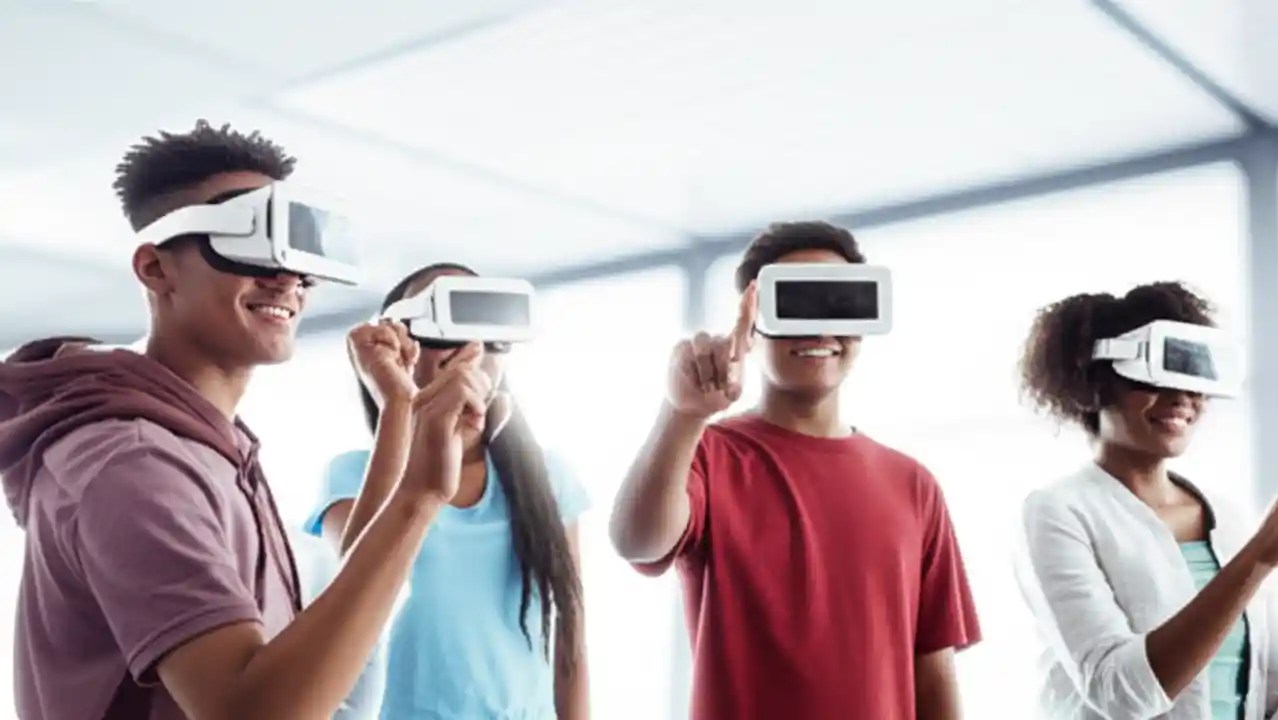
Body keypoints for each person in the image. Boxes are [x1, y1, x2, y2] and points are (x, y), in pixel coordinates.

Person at [0, 121, 473, 719]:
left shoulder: (205, 444)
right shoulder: (134, 461)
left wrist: (400, 415)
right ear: (155, 268)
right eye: (250, 243)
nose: (287, 280)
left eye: (299, 256)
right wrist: (421, 495)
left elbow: (331, 613)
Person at [608, 221, 982, 719]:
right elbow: (637, 541)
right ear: (753, 320)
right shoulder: (708, 452)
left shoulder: (914, 484)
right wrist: (683, 415)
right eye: (795, 304)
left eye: (838, 304)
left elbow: (931, 667)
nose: (820, 329)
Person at [303, 262, 591, 719]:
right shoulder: (352, 474)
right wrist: (398, 408)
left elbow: (570, 637)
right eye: (443, 328)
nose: (467, 349)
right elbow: (351, 588)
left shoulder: (548, 477)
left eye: (483, 331)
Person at [1014, 281, 1278, 719]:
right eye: (1155, 378)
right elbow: (1118, 694)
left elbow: (1259, 687)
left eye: (1195, 380)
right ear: (1095, 384)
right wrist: (1258, 559)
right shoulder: (1057, 512)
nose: (1182, 398)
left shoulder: (1227, 517)